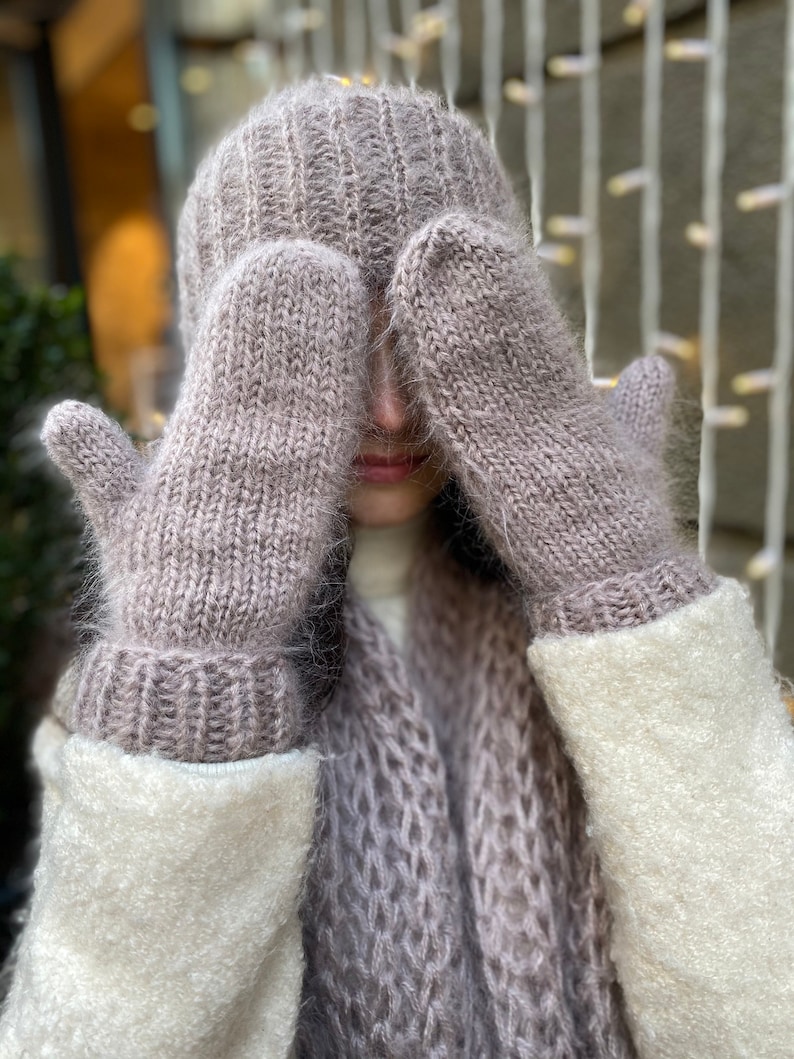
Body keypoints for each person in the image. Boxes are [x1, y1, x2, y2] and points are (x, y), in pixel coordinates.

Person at [0, 79, 792, 1059]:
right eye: (320, 341)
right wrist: (187, 678)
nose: (384, 409)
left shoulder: (589, 637)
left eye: (417, 337)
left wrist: (626, 596)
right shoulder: (114, 690)